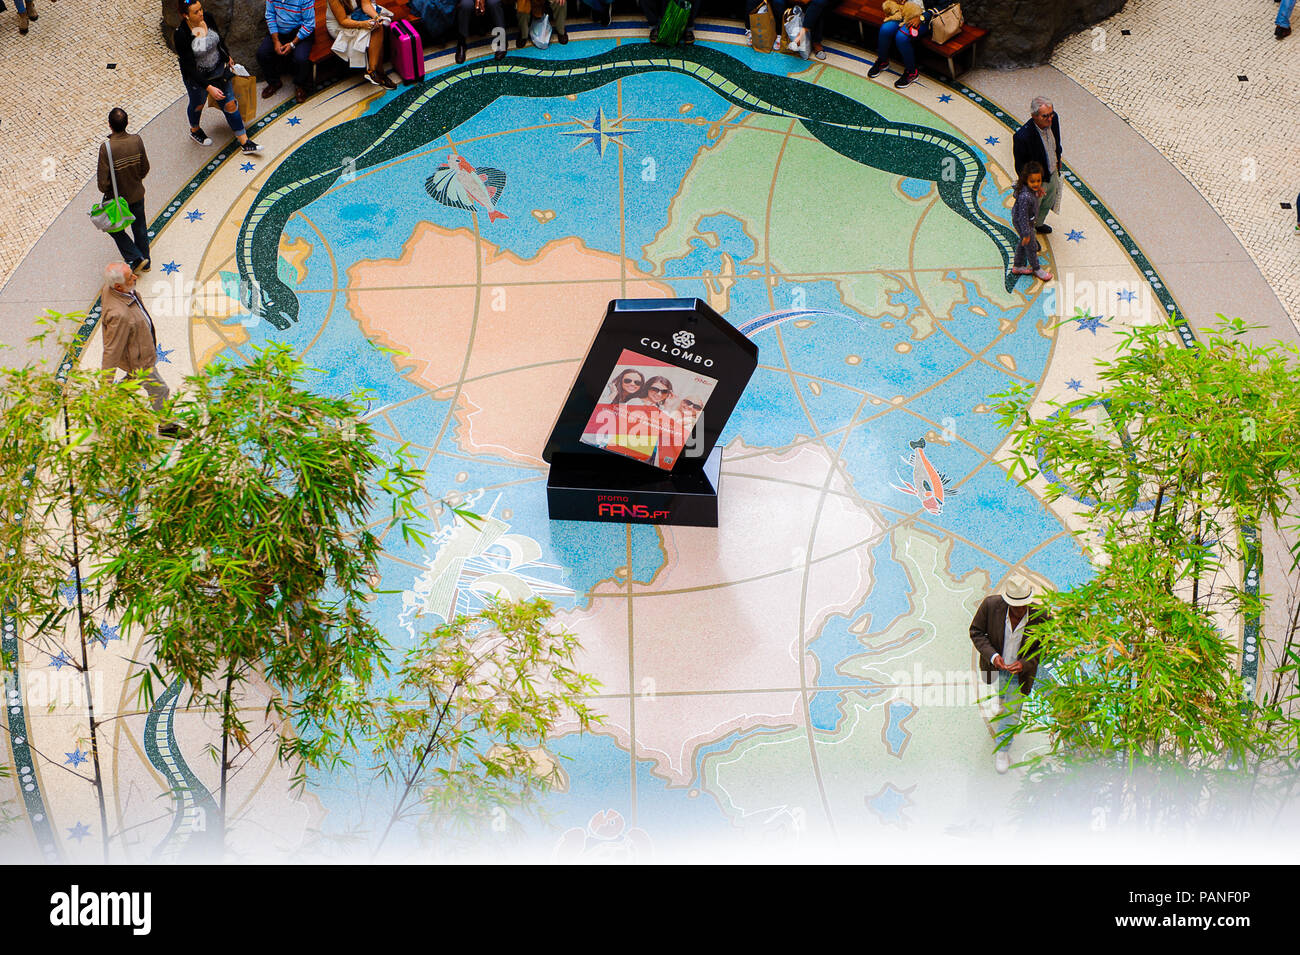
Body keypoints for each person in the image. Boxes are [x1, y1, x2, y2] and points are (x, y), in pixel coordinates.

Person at [968, 573, 1048, 774]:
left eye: (1024, 606)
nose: (1020, 611)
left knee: (1011, 715)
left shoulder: (1042, 616)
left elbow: (1044, 647)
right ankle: (1000, 698)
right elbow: (976, 632)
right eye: (1015, 606)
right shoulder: (990, 606)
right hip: (997, 667)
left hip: (1020, 674)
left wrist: (1024, 664)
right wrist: (994, 656)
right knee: (1000, 687)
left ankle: (1003, 751)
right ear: (1006, 601)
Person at [100, 262, 179, 434]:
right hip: (140, 362)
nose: (135, 277)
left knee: (130, 383)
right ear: (119, 286)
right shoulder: (119, 315)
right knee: (160, 390)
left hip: (137, 354)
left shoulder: (113, 290)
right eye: (131, 277)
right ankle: (167, 426)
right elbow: (111, 350)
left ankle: (103, 406)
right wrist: (105, 383)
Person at [175, 1, 264, 153]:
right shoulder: (181, 34)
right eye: (196, 12)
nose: (201, 13)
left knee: (230, 104)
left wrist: (226, 55)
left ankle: (244, 141)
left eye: (201, 9)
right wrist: (208, 87)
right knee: (198, 104)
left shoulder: (208, 18)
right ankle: (195, 130)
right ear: (185, 15)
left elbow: (218, 40)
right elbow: (189, 67)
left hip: (218, 72)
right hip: (197, 78)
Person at [96, 109, 152, 274]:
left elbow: (102, 184)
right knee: (140, 227)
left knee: (114, 228)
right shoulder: (136, 140)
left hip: (117, 200)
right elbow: (145, 167)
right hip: (137, 193)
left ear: (109, 125)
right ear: (127, 123)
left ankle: (135, 257)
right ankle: (146, 263)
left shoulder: (106, 148)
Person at [1012, 96, 1063, 235]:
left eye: (1051, 114)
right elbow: (1021, 167)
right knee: (1031, 210)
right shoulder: (1022, 137)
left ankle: (1038, 225)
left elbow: (1056, 142)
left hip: (1052, 172)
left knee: (1048, 202)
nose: (1050, 119)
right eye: (1045, 116)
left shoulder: (1054, 120)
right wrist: (1034, 185)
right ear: (1034, 116)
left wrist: (1058, 158)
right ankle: (1029, 235)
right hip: (1037, 181)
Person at [325, 0, 397, 88]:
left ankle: (372, 71)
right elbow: (342, 21)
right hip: (340, 25)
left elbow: (366, 5)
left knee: (377, 27)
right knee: (375, 31)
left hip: (356, 14)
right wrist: (363, 24)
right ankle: (378, 72)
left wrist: (377, 17)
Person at [257, 0, 316, 104]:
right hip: (280, 31)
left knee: (301, 58)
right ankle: (274, 82)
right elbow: (270, 15)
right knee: (262, 53)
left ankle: (300, 85)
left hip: (300, 32)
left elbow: (309, 24)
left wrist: (293, 44)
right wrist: (276, 41)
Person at [867, 0, 932, 89]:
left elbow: (945, 4)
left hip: (924, 18)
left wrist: (922, 17)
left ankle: (912, 72)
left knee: (901, 37)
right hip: (905, 10)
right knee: (885, 29)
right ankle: (883, 61)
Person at [1010, 161, 1052, 283]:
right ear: (1026, 180)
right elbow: (1023, 217)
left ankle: (1017, 266)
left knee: (1023, 243)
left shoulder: (1030, 191)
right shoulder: (1025, 197)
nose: (1036, 184)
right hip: (1024, 223)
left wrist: (1037, 191)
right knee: (1031, 246)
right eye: (1033, 181)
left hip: (1026, 221)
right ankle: (1036, 268)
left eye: (1038, 181)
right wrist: (1027, 233)